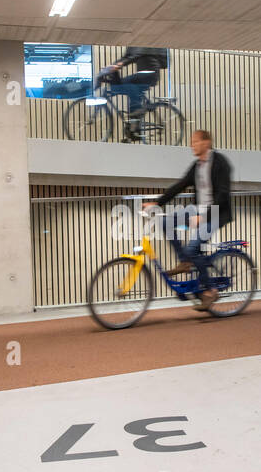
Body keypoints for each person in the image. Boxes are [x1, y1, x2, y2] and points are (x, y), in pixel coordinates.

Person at [151, 130, 233, 312]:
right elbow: (180, 186)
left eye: (195, 141)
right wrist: (157, 202)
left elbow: (223, 195)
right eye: (192, 142)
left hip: (217, 213)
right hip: (198, 210)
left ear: (207, 142)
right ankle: (185, 262)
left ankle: (211, 290)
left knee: (192, 248)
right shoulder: (197, 166)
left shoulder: (221, 163)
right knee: (165, 222)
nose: (192, 145)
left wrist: (203, 216)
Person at [96, 46, 169, 140]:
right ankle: (133, 128)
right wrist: (112, 66)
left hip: (149, 74)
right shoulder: (132, 45)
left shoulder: (142, 42)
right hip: (143, 74)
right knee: (120, 84)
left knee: (128, 85)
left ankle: (135, 120)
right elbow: (128, 56)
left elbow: (136, 55)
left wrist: (119, 64)